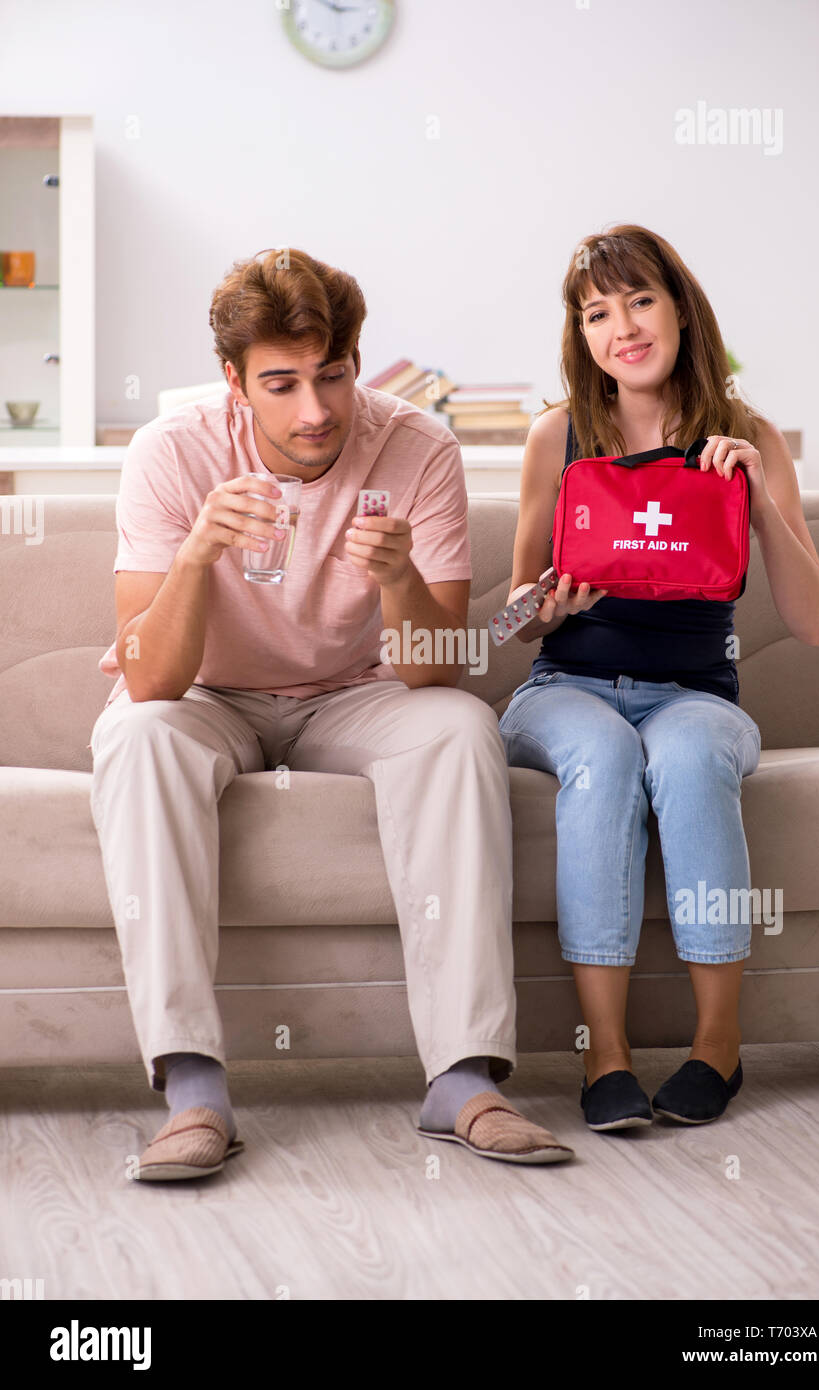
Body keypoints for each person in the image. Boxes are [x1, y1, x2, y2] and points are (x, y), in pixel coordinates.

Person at [89, 246, 574, 1181]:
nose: (315, 411)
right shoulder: (171, 453)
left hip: (360, 692)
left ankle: (462, 1079)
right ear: (234, 382)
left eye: (333, 377)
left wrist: (396, 577)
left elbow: (432, 673)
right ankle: (194, 1092)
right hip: (206, 694)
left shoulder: (417, 445)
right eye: (282, 383)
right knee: (137, 737)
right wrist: (194, 559)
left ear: (356, 361)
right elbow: (150, 678)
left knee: (460, 730)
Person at [498, 225, 819, 1131]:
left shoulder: (746, 435)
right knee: (604, 755)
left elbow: (810, 624)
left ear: (680, 308)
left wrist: (757, 495)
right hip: (565, 689)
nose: (623, 329)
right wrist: (547, 607)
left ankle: (715, 1044)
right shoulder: (555, 436)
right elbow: (511, 619)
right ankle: (604, 1055)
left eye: (639, 301)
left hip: (694, 697)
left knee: (685, 760)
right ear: (581, 335)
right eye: (596, 313)